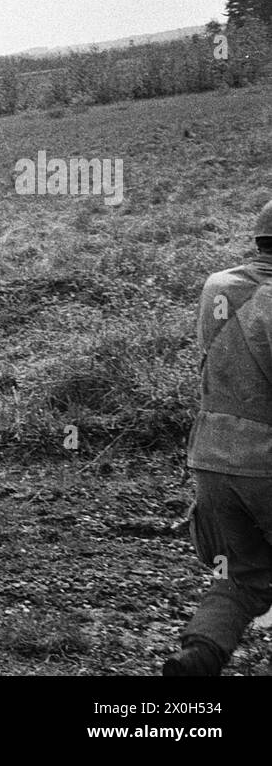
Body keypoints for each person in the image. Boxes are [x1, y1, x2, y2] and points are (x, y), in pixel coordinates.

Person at [168, 200, 272, 676]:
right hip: (265, 463)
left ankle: (198, 659)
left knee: (242, 575)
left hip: (211, 458)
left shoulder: (219, 285)